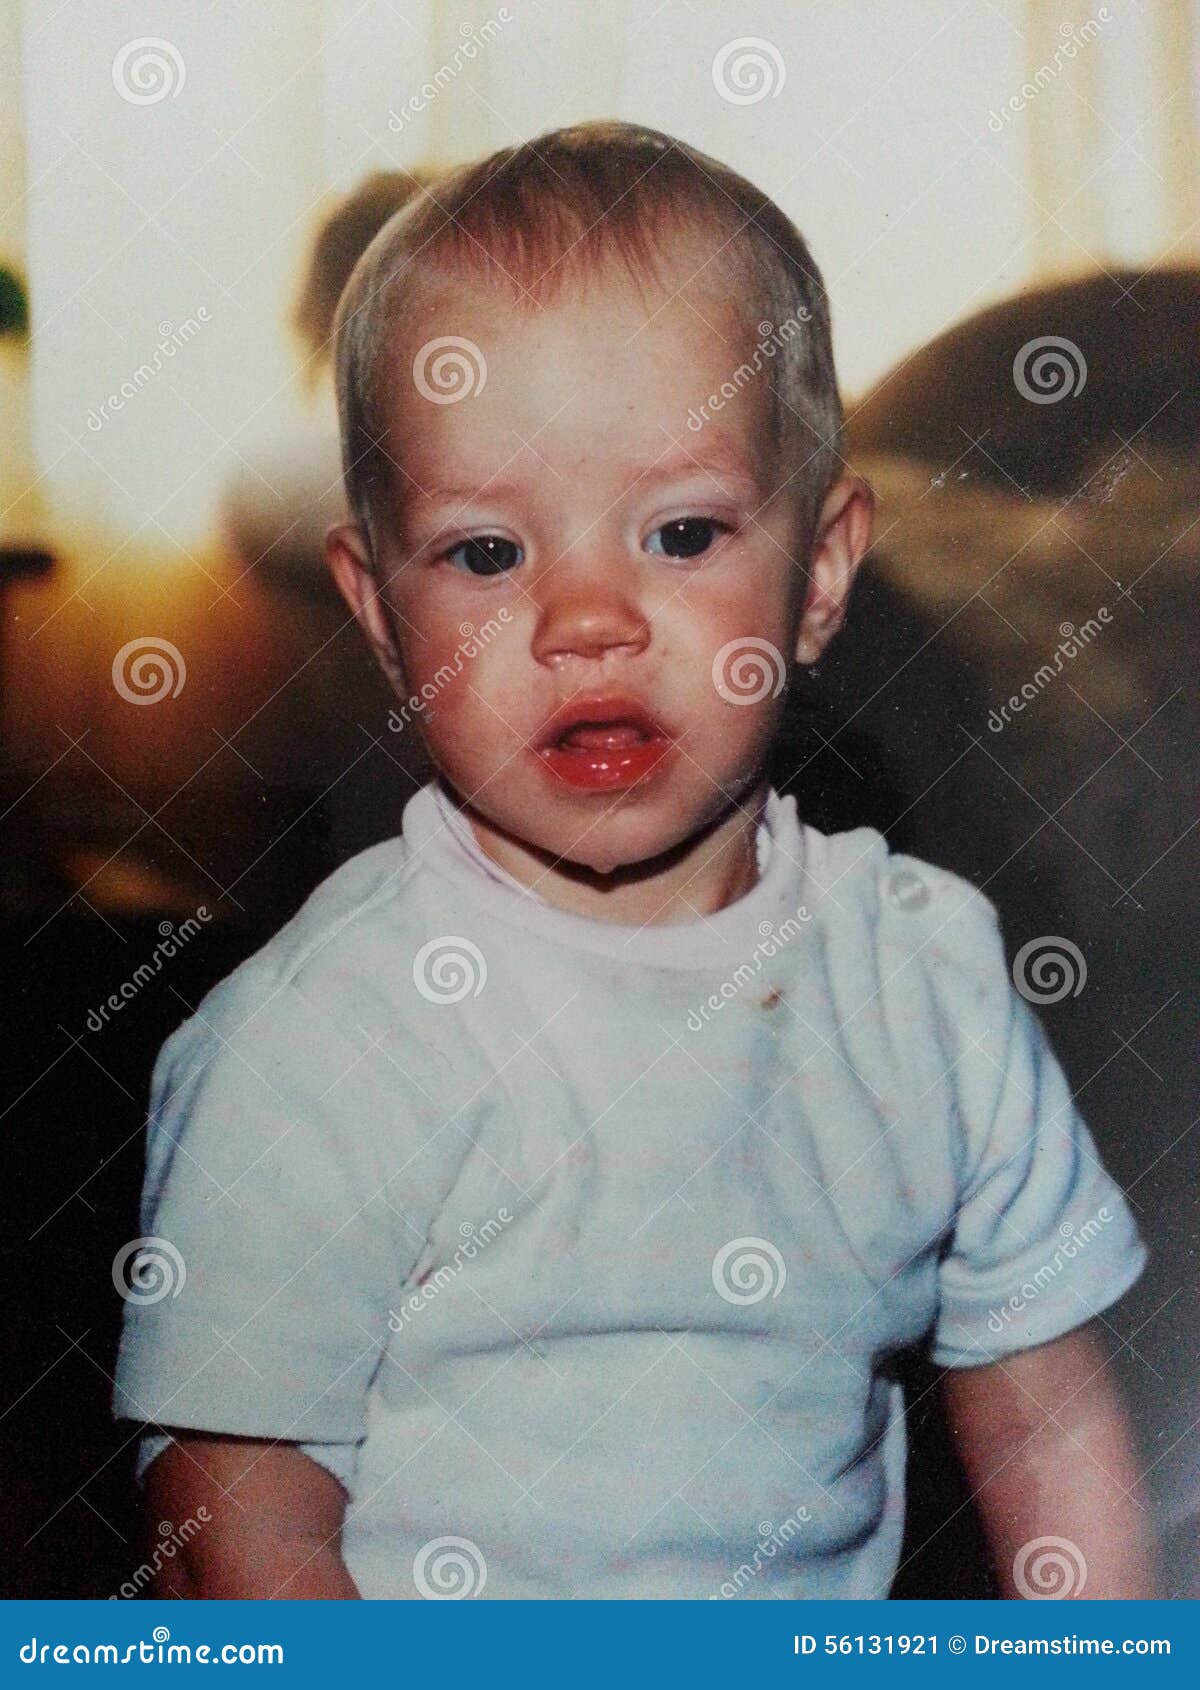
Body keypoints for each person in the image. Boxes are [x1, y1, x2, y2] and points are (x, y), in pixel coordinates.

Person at [112, 121, 1155, 1600]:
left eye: (680, 530)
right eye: (487, 554)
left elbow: (1043, 1406)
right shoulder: (325, 1036)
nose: (586, 618)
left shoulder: (924, 978)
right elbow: (237, 1502)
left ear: (823, 574)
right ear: (376, 605)